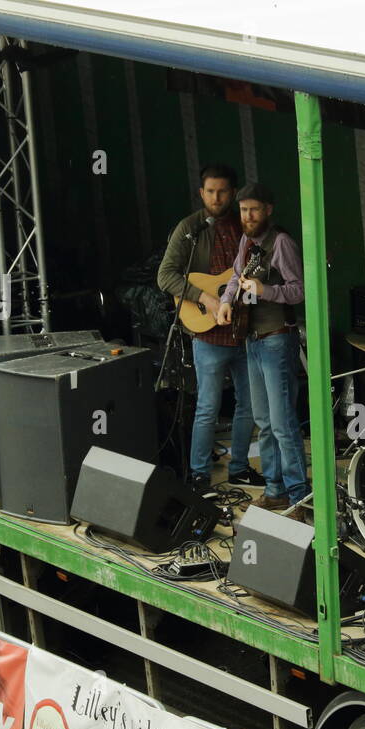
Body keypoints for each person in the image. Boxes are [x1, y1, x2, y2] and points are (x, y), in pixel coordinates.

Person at [157, 163, 264, 490]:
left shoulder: (246, 226)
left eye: (222, 191)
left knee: (249, 404)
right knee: (208, 405)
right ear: (201, 192)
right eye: (210, 191)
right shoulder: (189, 228)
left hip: (246, 331)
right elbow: (165, 276)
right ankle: (200, 473)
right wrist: (206, 298)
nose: (216, 197)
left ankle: (240, 467)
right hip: (207, 333)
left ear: (233, 193)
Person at [218, 183, 309, 516]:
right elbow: (235, 277)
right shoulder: (246, 241)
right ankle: (275, 490)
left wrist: (266, 291)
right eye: (243, 210)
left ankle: (299, 494)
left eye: (254, 210)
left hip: (276, 337)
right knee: (264, 420)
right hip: (252, 339)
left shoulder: (281, 242)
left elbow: (300, 291)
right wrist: (227, 301)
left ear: (268, 210)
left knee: (283, 421)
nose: (248, 216)